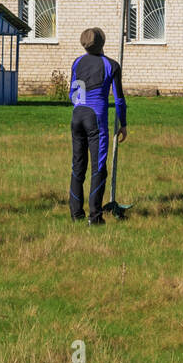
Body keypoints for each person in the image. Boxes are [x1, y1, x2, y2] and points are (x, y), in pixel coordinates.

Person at [69, 27, 127, 226]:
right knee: (99, 167)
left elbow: (73, 94)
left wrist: (82, 104)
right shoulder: (111, 65)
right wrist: (123, 123)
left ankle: (76, 213)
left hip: (77, 116)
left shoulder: (77, 62)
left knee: (78, 165)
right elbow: (119, 99)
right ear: (102, 42)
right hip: (96, 119)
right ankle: (95, 217)